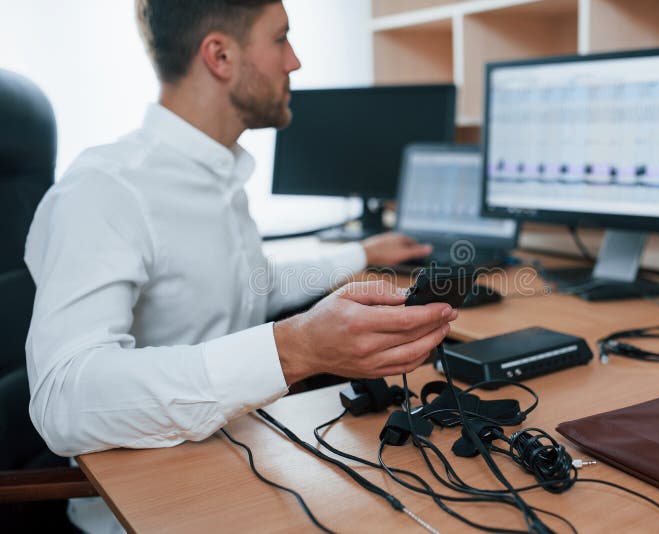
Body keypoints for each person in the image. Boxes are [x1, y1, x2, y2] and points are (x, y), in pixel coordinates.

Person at [24, 1, 457, 532]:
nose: (294, 61)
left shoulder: (219, 176)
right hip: (148, 507)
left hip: (244, 459)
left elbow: (250, 284)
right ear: (220, 55)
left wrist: (362, 255)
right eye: (280, 38)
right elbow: (62, 400)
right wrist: (296, 348)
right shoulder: (104, 190)